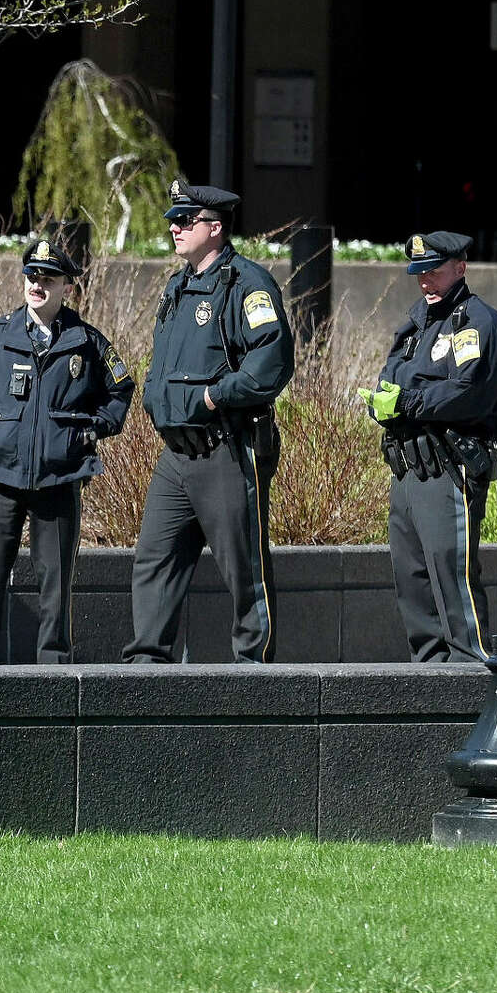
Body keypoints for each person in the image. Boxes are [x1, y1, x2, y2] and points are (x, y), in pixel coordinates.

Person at [124, 181, 295, 665]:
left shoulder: (247, 284)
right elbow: (162, 363)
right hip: (176, 455)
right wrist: (155, 400)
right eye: (173, 221)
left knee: (243, 567)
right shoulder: (176, 287)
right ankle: (145, 669)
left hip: (226, 448)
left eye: (185, 221)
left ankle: (254, 669)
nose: (175, 228)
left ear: (215, 228)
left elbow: (271, 363)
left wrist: (212, 396)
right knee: (153, 562)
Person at [0, 237, 134, 664]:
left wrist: (89, 432)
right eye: (31, 276)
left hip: (59, 477)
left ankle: (55, 673)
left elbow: (120, 389)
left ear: (67, 286)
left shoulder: (87, 342)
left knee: (56, 585)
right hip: (0, 473)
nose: (37, 285)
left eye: (48, 279)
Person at [358, 231, 497, 663]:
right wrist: (385, 404)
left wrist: (408, 401)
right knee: (412, 578)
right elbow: (389, 377)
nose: (425, 282)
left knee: (451, 574)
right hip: (408, 466)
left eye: (434, 272)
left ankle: (471, 671)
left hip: (448, 465)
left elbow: (467, 392)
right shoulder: (416, 322)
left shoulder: (474, 322)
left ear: (461, 268)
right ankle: (429, 673)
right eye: (419, 273)